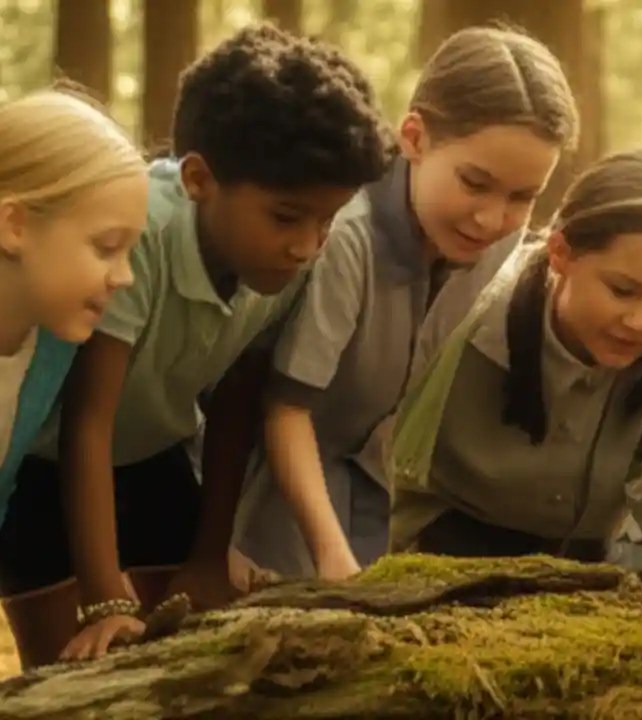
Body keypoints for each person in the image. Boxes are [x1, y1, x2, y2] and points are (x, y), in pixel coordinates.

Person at [0, 24, 392, 668]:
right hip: (46, 469)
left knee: (188, 645)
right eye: (288, 218)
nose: (308, 244)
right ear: (201, 179)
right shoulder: (136, 234)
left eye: (328, 220)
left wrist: (208, 554)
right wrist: (102, 595)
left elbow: (235, 401)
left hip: (154, 455)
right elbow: (88, 421)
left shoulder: (292, 256)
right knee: (76, 659)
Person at [233, 26, 578, 581]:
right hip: (256, 490)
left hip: (361, 493)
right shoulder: (349, 235)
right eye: (474, 182)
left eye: (522, 197)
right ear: (414, 138)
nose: (492, 218)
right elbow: (287, 408)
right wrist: (331, 557)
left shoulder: (497, 242)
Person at [385, 149, 642, 588]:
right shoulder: (467, 309)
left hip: (614, 557)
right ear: (561, 253)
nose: (641, 321)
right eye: (622, 290)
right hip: (446, 540)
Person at [0, 88, 147, 679]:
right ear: (15, 224)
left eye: (131, 250)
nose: (125, 276)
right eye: (107, 247)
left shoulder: (51, 346)